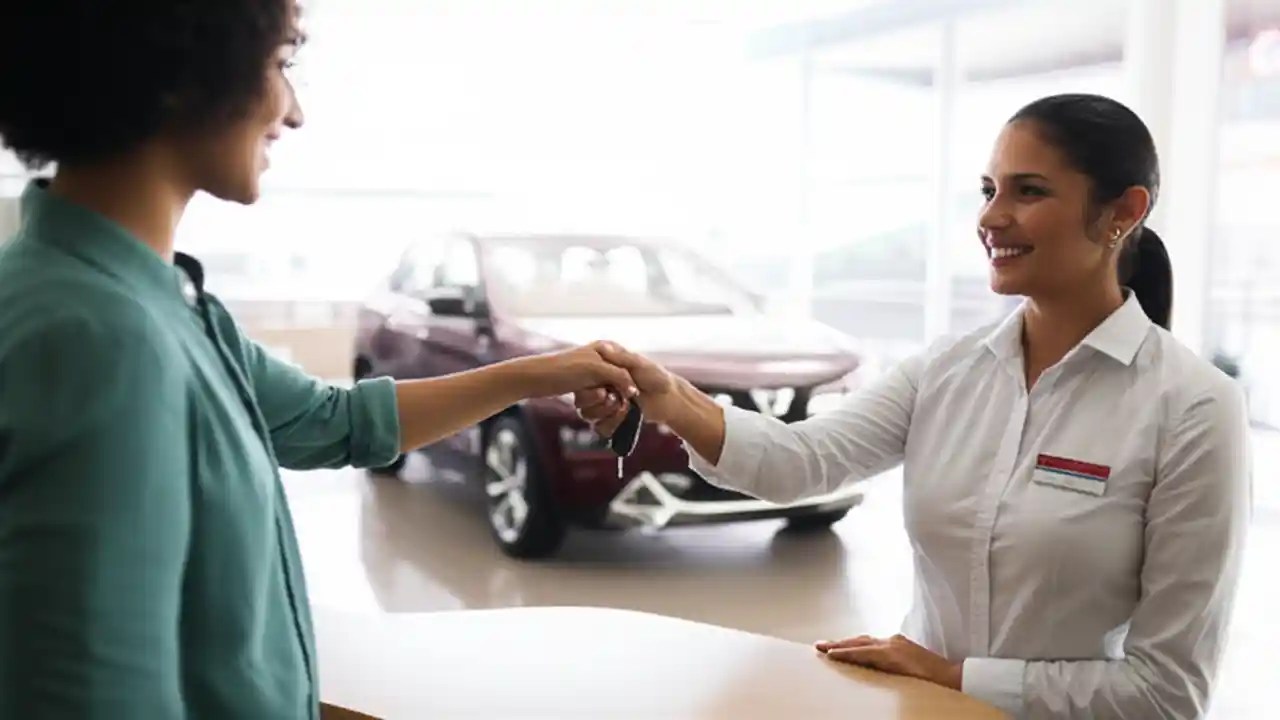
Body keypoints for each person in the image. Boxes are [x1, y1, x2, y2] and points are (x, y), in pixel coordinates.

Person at [0, 2, 638, 717]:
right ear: (180, 67)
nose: (293, 112)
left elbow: (331, 421)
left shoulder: (143, 299)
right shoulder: (101, 340)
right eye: (281, 64)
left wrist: (544, 373)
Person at [577, 93, 1251, 719]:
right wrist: (669, 398)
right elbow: (801, 463)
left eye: (1029, 191)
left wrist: (953, 675)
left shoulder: (1193, 407)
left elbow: (1167, 691)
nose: (990, 217)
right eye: (988, 191)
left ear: (1123, 212)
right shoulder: (947, 371)